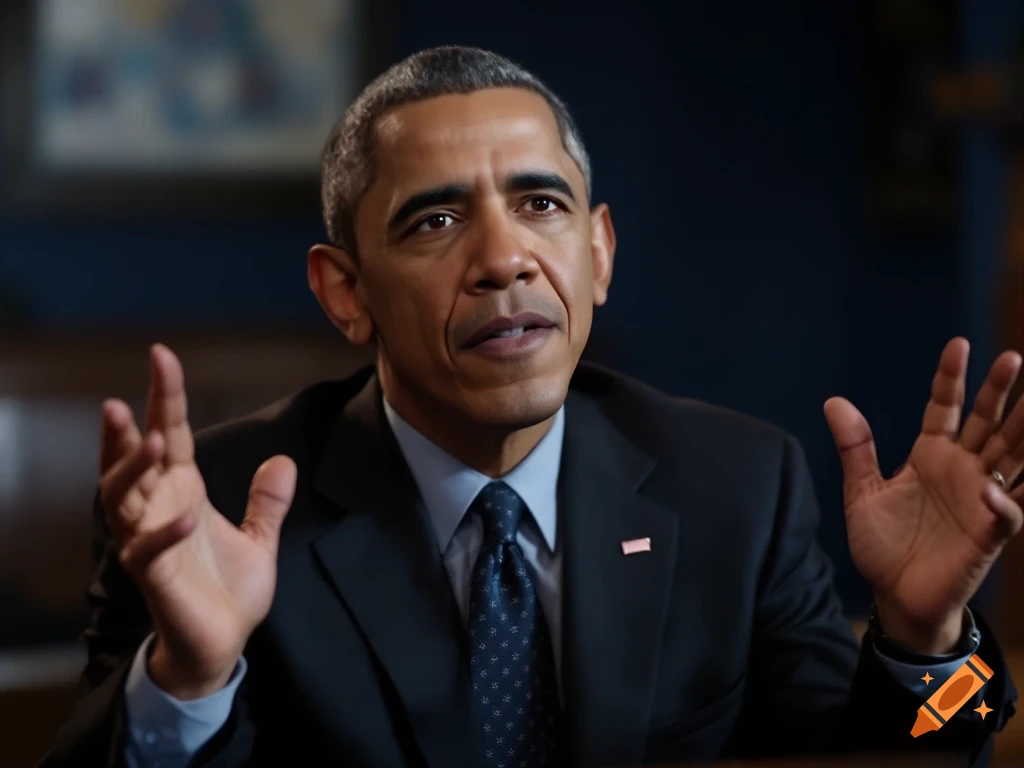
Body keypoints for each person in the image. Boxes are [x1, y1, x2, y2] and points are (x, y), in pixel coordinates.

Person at [43, 46, 1023, 768]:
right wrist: (191, 682)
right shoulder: (216, 505)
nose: (504, 258)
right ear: (345, 292)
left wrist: (925, 643)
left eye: (541, 205)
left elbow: (908, 756)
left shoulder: (735, 484)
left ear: (597, 254)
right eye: (435, 220)